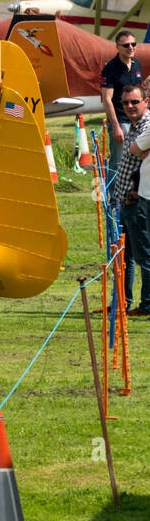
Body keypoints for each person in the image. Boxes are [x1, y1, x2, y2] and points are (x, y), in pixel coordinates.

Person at [108, 84, 150, 314]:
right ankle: (122, 303)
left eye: (134, 102)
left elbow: (139, 153)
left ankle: (147, 305)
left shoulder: (148, 125)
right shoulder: (135, 126)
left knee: (144, 255)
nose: (130, 106)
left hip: (138, 200)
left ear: (145, 101)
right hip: (125, 200)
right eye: (125, 103)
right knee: (125, 256)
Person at [100, 31, 143, 173]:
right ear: (117, 47)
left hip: (138, 122)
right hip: (121, 121)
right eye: (126, 45)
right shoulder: (110, 69)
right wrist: (116, 126)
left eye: (133, 44)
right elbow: (106, 99)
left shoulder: (136, 65)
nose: (131, 47)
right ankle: (115, 195)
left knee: (139, 160)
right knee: (119, 162)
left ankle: (134, 194)